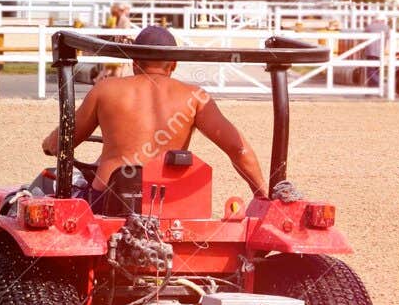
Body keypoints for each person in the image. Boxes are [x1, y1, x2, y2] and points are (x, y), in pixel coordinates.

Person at [42, 25, 266, 211]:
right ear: (174, 64)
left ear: (134, 62)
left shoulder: (106, 89)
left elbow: (63, 143)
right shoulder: (195, 98)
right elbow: (238, 149)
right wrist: (263, 194)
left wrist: (49, 143)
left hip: (111, 203)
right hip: (166, 204)